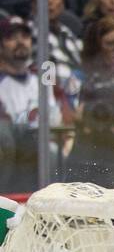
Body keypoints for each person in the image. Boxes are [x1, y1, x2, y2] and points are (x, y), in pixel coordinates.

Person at [0, 16, 63, 192]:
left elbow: (58, 120)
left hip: (43, 146)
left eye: (25, 36)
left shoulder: (43, 77)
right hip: (15, 155)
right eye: (11, 37)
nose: (20, 42)